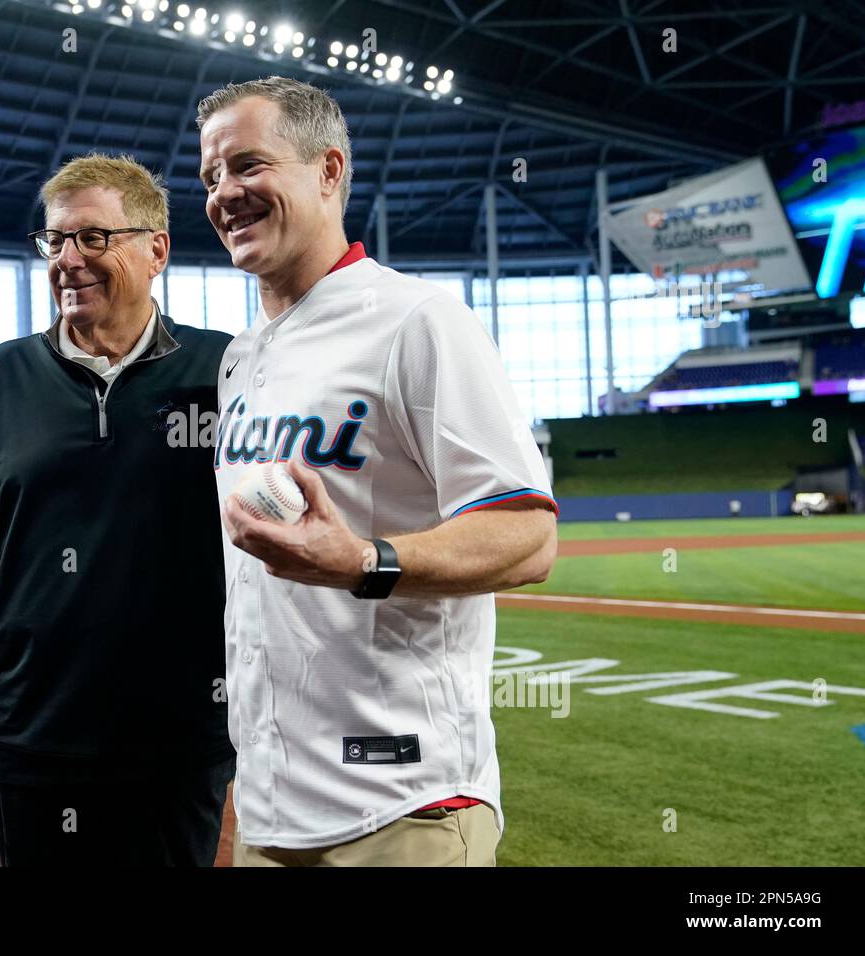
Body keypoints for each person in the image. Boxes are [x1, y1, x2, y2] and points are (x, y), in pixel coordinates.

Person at [197, 76, 559, 866]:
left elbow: (528, 536)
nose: (225, 193)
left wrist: (365, 561)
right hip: (269, 812)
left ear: (329, 171)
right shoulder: (238, 361)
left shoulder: (419, 320)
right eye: (211, 177)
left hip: (406, 806)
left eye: (248, 165)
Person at [0, 153, 235, 867]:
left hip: (179, 747)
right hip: (33, 743)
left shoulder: (228, 370)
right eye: (54, 240)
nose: (67, 259)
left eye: (93, 238)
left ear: (156, 250)